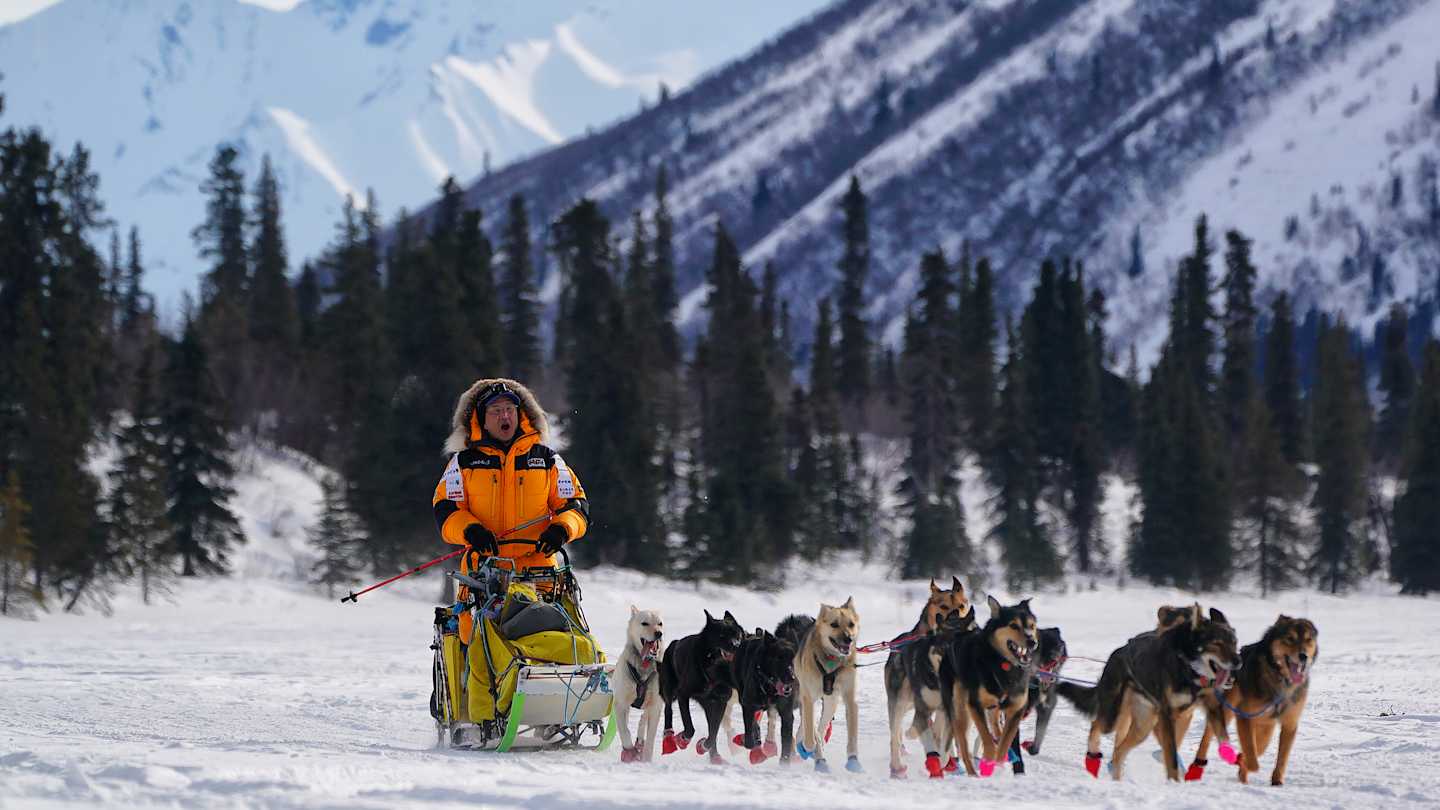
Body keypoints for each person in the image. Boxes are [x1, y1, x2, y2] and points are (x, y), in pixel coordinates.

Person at [431, 378, 597, 733]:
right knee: (479, 641)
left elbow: (577, 506)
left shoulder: (548, 460)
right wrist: (470, 530)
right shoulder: (463, 462)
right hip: (485, 573)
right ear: (480, 418)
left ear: (521, 415)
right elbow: (445, 511)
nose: (504, 416)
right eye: (495, 411)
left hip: (541, 572)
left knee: (552, 637)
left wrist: (561, 529)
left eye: (509, 409)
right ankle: (482, 715)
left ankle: (553, 711)